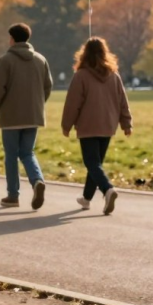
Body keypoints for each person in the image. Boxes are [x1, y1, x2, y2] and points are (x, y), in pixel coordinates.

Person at [61, 37, 132, 216]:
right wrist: (126, 123)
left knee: (91, 163)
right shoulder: (114, 76)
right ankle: (86, 198)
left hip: (88, 124)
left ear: (84, 53)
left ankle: (108, 189)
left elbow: (73, 103)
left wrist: (67, 124)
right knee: (96, 164)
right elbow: (122, 101)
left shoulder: (81, 76)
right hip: (108, 124)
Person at [0, 23, 52, 210]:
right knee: (27, 152)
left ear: (12, 39)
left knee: (11, 155)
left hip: (11, 115)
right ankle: (37, 180)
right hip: (33, 114)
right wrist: (38, 104)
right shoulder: (41, 60)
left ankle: (13, 195)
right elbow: (48, 86)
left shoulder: (6, 60)